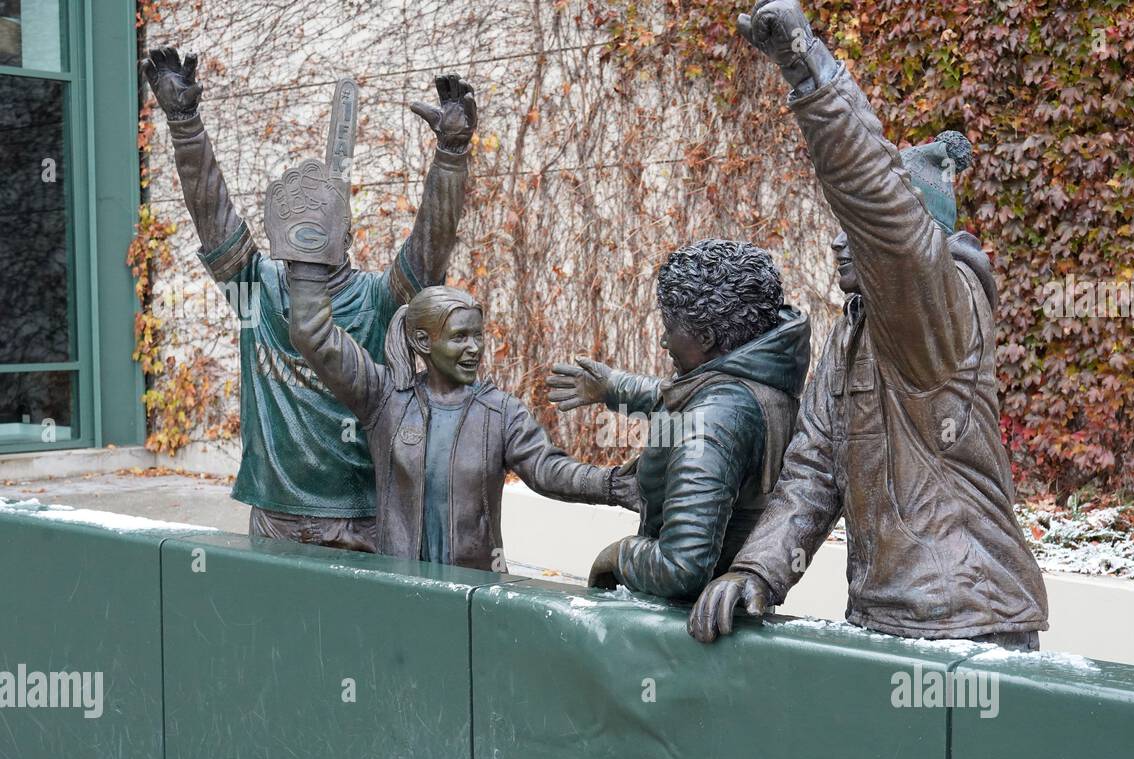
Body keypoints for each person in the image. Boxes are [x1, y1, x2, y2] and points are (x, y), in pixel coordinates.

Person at [689, 0, 1049, 649]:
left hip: (968, 625)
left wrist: (811, 74)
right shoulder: (853, 332)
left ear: (909, 244)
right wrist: (758, 569)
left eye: (855, 230)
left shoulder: (942, 305)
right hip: (886, 618)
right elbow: (812, 470)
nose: (836, 240)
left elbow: (878, 208)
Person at [142, 48, 475, 552]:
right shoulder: (259, 286)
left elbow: (431, 243)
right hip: (276, 513)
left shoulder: (379, 299)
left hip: (361, 518)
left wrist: (451, 154)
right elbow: (212, 211)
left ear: (347, 234)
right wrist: (185, 124)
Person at [267, 155, 637, 567]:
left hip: (474, 589)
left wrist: (612, 485)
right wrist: (307, 258)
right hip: (401, 584)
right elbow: (313, 334)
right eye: (460, 337)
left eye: (478, 336)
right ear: (423, 341)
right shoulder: (383, 399)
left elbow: (547, 470)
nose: (475, 348)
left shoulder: (500, 413)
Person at [547, 239, 810, 600]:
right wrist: (615, 387)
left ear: (706, 336)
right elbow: (690, 394)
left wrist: (617, 555)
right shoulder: (764, 377)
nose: (663, 342)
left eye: (670, 328)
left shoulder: (714, 420)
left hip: (686, 628)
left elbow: (680, 568)